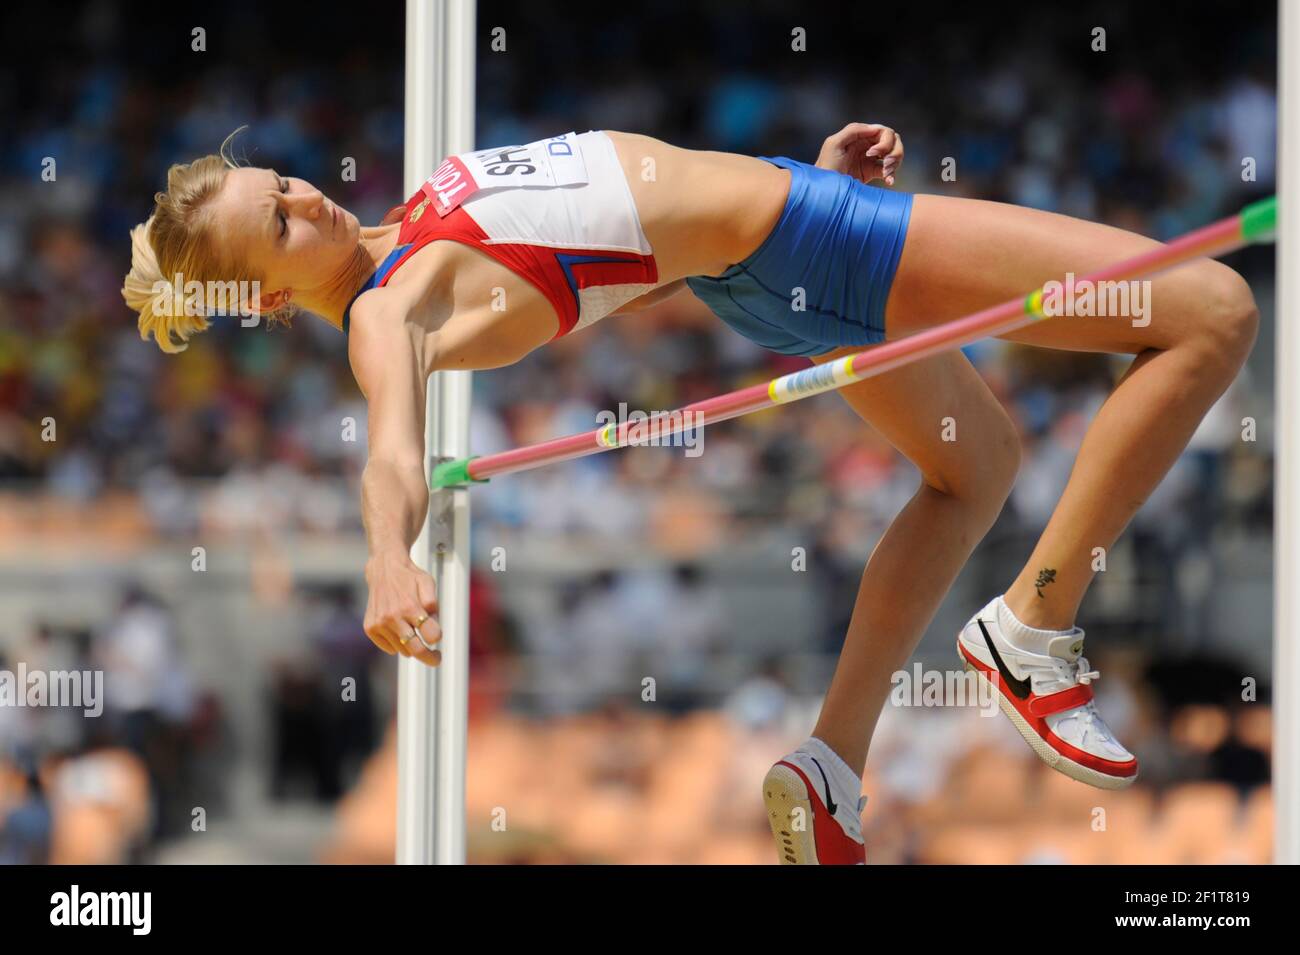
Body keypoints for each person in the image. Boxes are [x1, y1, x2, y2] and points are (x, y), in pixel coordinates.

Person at [121, 124, 1259, 864]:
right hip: (803, 245)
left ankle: (830, 763)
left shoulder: (406, 224)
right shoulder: (386, 311)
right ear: (269, 303)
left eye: (284, 185)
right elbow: (392, 454)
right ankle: (1035, 624)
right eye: (278, 228)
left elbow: (634, 211)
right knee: (1207, 308)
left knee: (975, 469)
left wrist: (789, 177)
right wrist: (387, 554)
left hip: (773, 252)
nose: (306, 207)